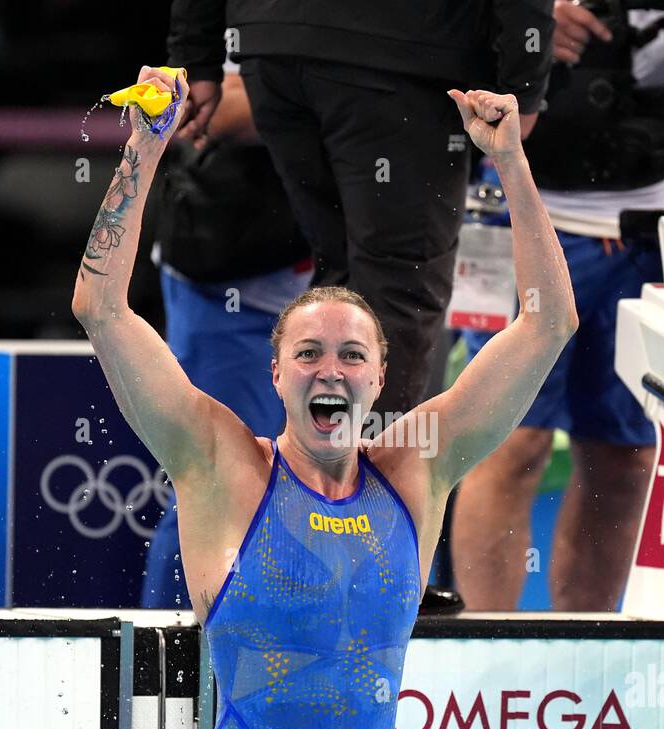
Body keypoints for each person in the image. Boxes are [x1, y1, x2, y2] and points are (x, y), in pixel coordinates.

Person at [73, 69, 578, 729]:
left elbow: (547, 326)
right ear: (275, 373)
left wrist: (509, 160)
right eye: (308, 353)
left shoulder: (417, 469)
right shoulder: (220, 465)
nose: (330, 371)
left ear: (381, 376)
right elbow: (100, 308)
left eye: (351, 354)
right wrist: (145, 146)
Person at [452, 0, 664, 612]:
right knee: (510, 445)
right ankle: (485, 645)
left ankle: (585, 643)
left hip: (648, 224)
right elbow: (439, 42)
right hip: (522, 213)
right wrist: (526, 28)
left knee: (624, 457)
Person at [165, 0, 554, 421]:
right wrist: (523, 89)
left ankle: (323, 473)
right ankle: (369, 481)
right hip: (405, 59)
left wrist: (195, 59)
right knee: (396, 288)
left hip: (273, 47)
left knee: (342, 277)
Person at [141, 65, 312, 610]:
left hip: (353, 279)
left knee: (351, 483)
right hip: (235, 285)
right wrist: (348, 101)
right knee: (216, 478)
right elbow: (208, 107)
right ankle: (166, 664)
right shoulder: (235, 14)